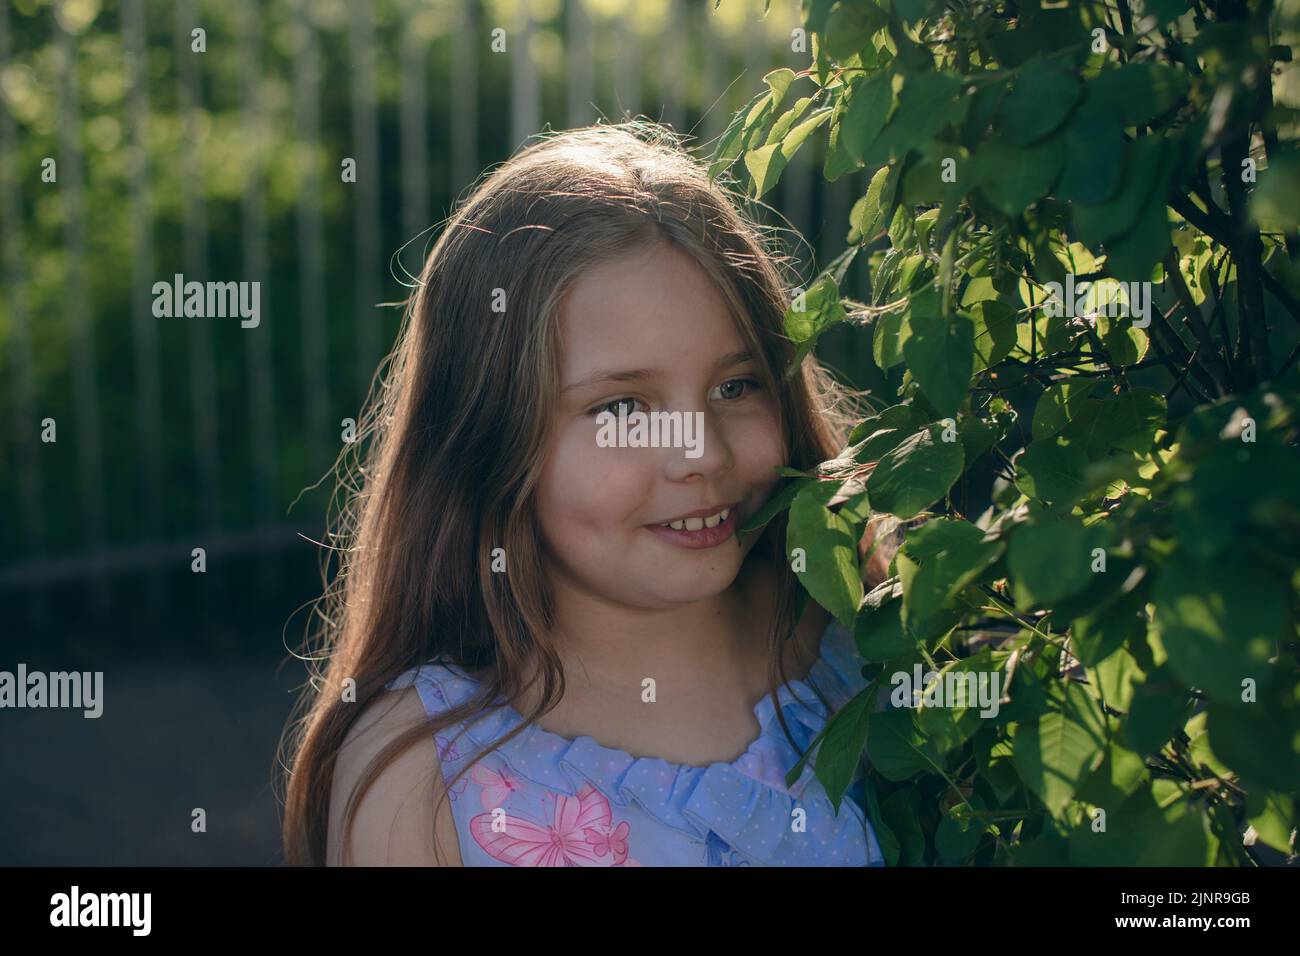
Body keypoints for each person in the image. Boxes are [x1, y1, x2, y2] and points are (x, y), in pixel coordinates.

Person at [280, 120, 896, 867]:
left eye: (736, 386)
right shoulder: (425, 779)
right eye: (622, 409)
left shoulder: (869, 636)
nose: (699, 453)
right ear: (491, 434)